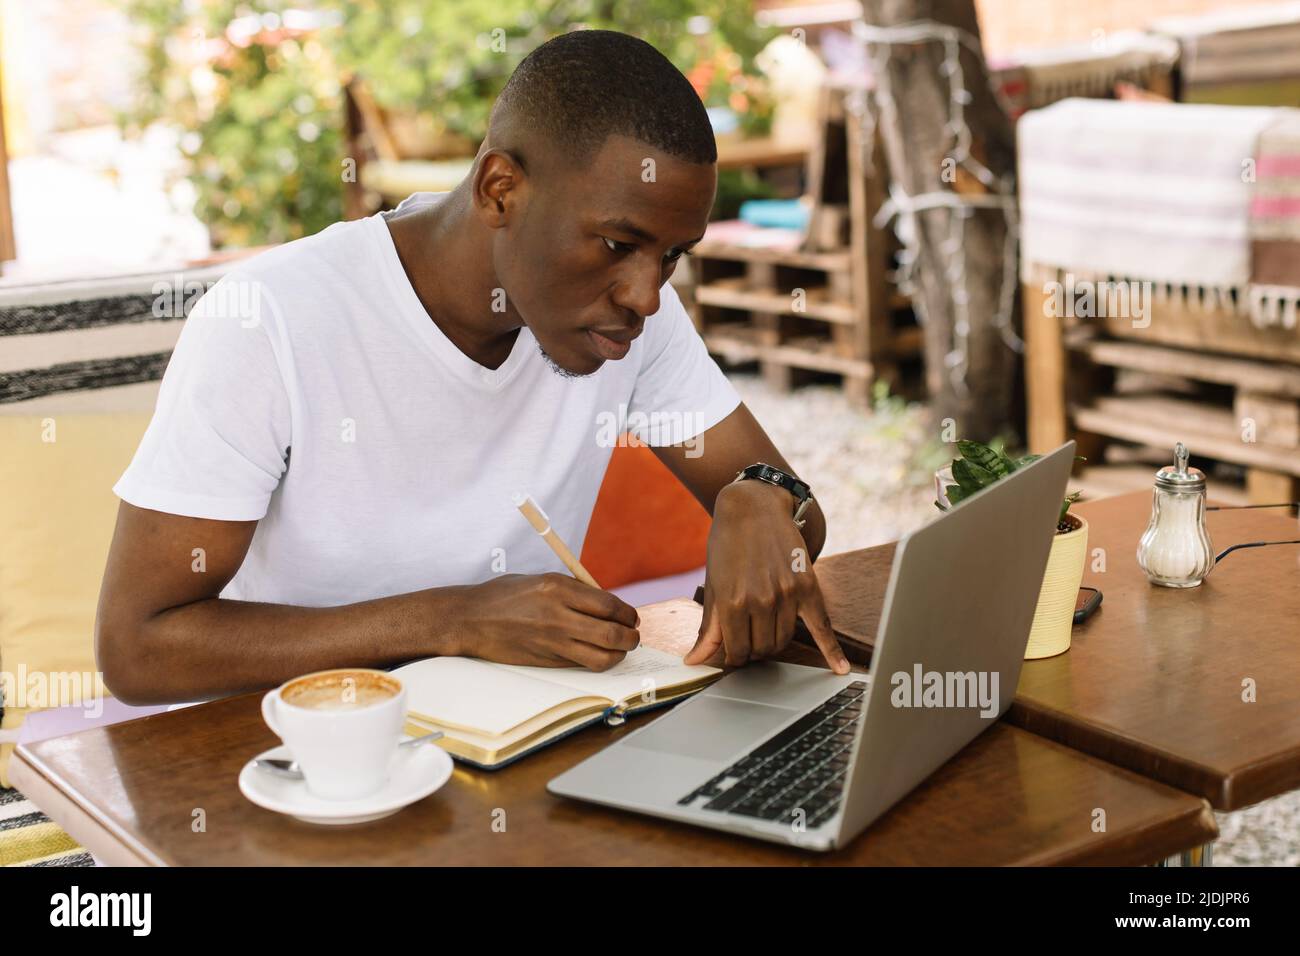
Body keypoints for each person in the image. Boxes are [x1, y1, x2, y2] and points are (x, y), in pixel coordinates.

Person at [96, 29, 848, 706]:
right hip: (298, 759)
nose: (648, 295)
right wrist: (451, 619)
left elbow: (797, 524)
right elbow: (139, 647)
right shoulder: (271, 320)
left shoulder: (625, 318)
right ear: (501, 189)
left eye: (673, 255)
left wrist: (762, 498)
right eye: (619, 245)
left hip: (507, 739)